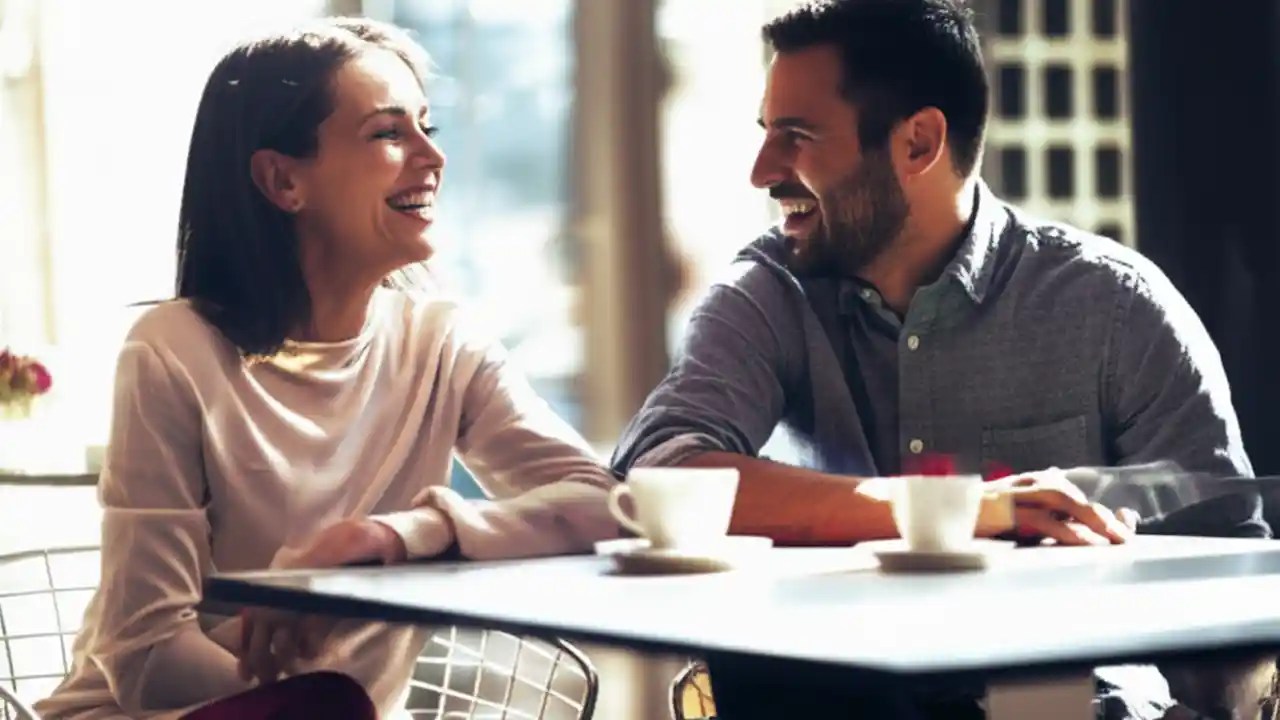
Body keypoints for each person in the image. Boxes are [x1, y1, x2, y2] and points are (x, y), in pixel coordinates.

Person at [610, 0, 1257, 716]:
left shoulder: (1117, 309)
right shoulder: (769, 294)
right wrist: (967, 511)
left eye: (796, 136)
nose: (763, 171)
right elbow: (658, 472)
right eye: (768, 134)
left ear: (918, 143)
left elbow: (1229, 592)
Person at [36, 17, 617, 720]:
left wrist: (396, 536)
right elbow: (144, 660)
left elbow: (605, 506)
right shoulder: (171, 351)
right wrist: (316, 698)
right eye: (388, 133)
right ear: (283, 180)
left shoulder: (441, 344)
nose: (432, 157)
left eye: (428, 126)